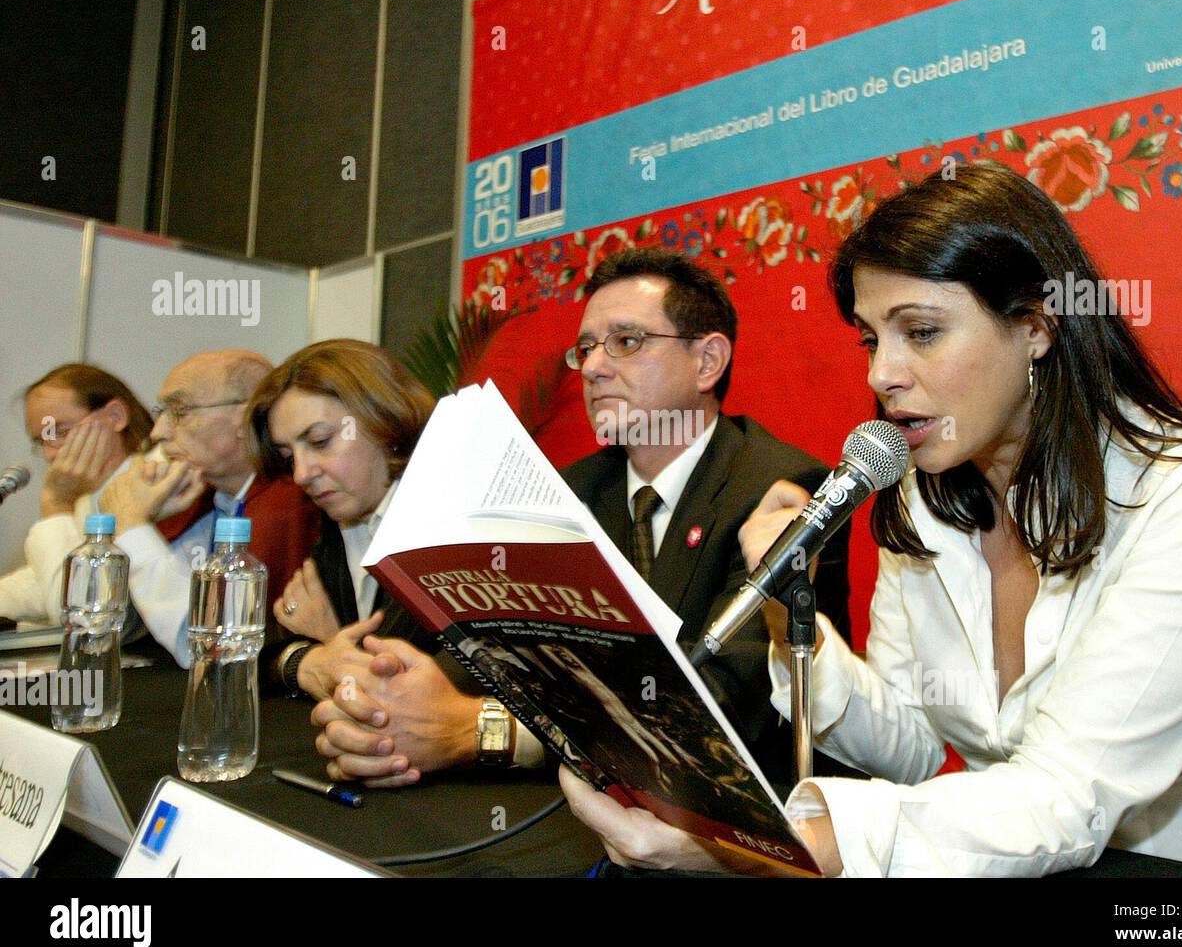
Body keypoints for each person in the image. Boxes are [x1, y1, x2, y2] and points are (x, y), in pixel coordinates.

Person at [560, 165, 1182, 878]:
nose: (882, 373)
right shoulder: (924, 497)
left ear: (1038, 324)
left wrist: (765, 846)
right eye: (871, 338)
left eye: (921, 331)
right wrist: (794, 623)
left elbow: (1067, 796)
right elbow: (912, 744)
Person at [308, 248, 853, 789]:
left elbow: (724, 705)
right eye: (587, 347)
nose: (592, 367)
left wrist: (479, 731)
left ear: (707, 362)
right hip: (587, 802)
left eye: (626, 342)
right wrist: (392, 705)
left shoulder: (785, 491)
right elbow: (507, 648)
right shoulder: (568, 490)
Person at [247, 340, 479, 710]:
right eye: (289, 456)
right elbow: (254, 656)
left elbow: (414, 692)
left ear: (384, 420)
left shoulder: (458, 525)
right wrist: (308, 662)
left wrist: (329, 640)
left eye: (321, 441)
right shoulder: (336, 517)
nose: (302, 474)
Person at [96, 349, 318, 666]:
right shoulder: (197, 500)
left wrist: (132, 527)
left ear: (249, 414)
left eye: (179, 410)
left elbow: (217, 645)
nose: (158, 431)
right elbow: (115, 626)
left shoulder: (293, 503)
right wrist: (145, 522)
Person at [0, 364, 153, 623]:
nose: (50, 454)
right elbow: (42, 583)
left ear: (116, 416)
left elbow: (80, 613)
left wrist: (55, 502)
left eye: (61, 432)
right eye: (41, 441)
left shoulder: (157, 489)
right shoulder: (87, 498)